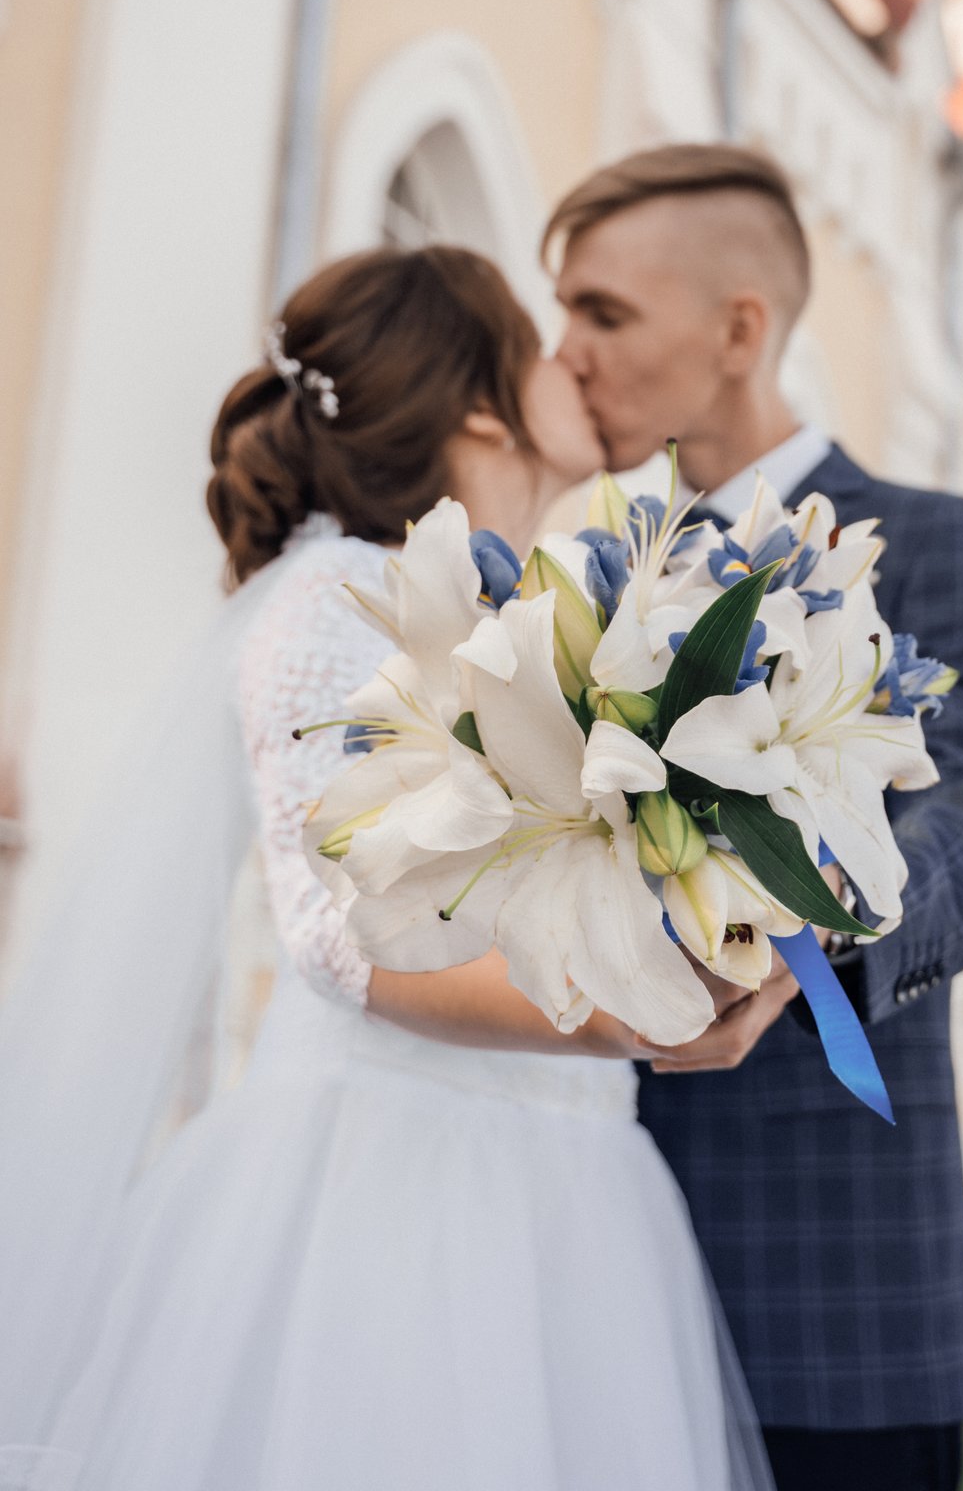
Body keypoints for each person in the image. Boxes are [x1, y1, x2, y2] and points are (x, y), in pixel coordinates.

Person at [0, 245, 774, 1491]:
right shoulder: (339, 598)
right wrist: (626, 1011)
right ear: (479, 404)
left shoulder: (544, 611)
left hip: (568, 1195)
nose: (573, 359)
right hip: (398, 1204)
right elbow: (338, 931)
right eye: (539, 341)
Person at [548, 143, 963, 1491]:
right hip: (567, 1262)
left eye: (603, 312)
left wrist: (806, 948)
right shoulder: (562, 568)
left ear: (738, 330)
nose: (568, 352)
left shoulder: (941, 540)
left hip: (830, 1279)